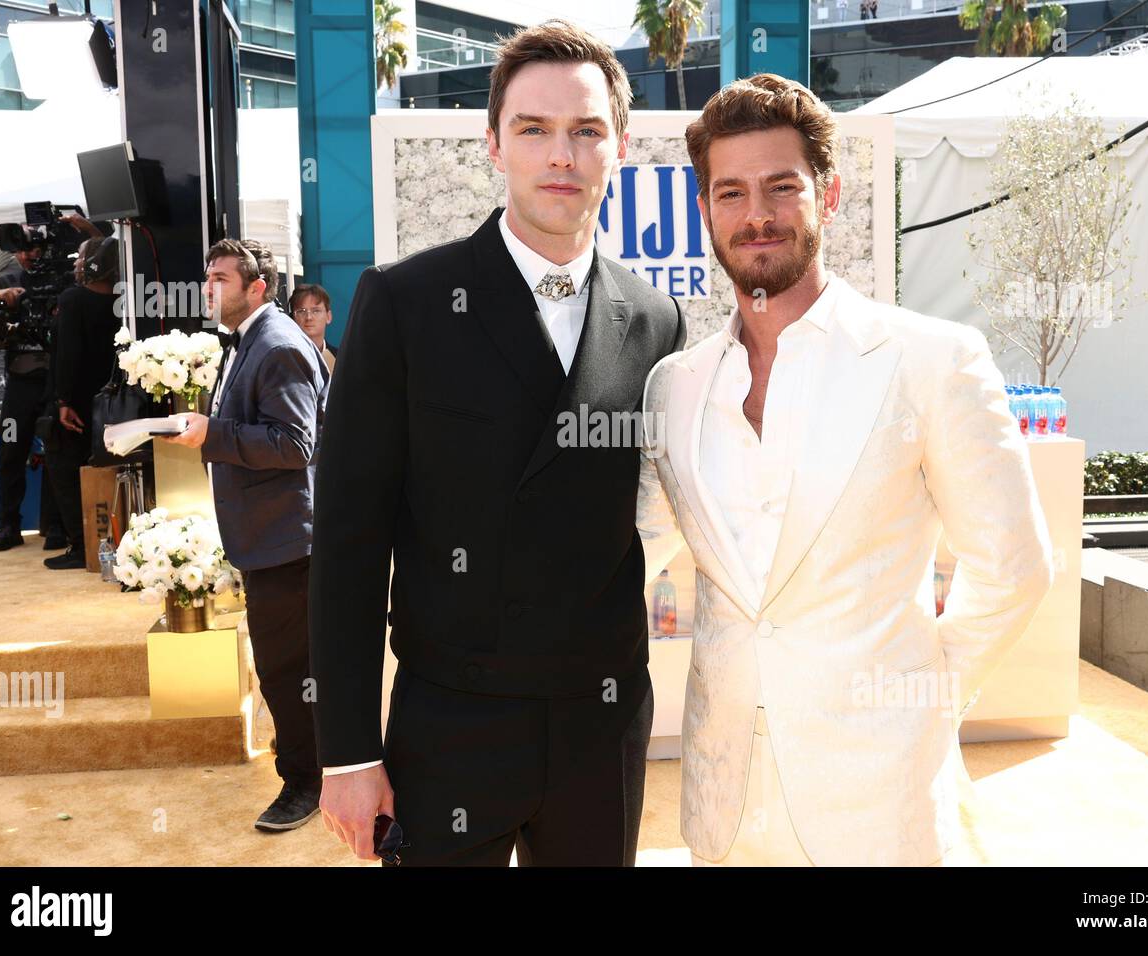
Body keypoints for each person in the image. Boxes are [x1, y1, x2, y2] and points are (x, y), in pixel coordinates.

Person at [635, 74, 1055, 866]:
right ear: (706, 213)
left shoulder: (931, 359)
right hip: (724, 798)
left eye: (780, 186)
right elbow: (628, 555)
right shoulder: (675, 386)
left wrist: (922, 701)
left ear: (827, 197)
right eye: (730, 192)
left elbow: (1015, 565)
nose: (755, 213)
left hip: (882, 796)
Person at [309, 19, 687, 866]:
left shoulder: (656, 321)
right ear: (493, 144)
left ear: (618, 149)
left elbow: (651, 509)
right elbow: (348, 543)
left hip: (602, 720)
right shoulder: (405, 305)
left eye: (587, 132)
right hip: (451, 726)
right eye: (535, 129)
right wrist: (346, 751)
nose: (563, 155)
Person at [161, 238, 330, 833]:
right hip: (270, 538)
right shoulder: (248, 341)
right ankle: (314, 773)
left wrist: (212, 433)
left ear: (257, 288)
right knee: (289, 667)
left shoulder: (278, 345)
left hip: (291, 543)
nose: (208, 288)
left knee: (288, 671)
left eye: (220, 278)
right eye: (206, 277)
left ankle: (305, 784)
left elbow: (294, 445)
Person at [0, 239, 68, 553]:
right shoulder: (7, 280)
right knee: (10, 452)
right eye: (21, 250)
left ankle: (56, 526)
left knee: (56, 452)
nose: (27, 256)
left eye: (33, 249)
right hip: (19, 386)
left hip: (54, 384)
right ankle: (8, 525)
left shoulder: (62, 279)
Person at [43, 236, 121, 570]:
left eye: (82, 258)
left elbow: (68, 355)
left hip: (75, 406)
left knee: (65, 469)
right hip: (112, 405)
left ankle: (81, 546)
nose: (76, 263)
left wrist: (63, 399)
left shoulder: (73, 300)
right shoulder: (125, 302)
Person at [287, 283, 338, 374]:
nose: (309, 317)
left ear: (328, 316)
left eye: (316, 311)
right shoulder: (283, 359)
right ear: (292, 318)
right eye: (301, 311)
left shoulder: (341, 359)